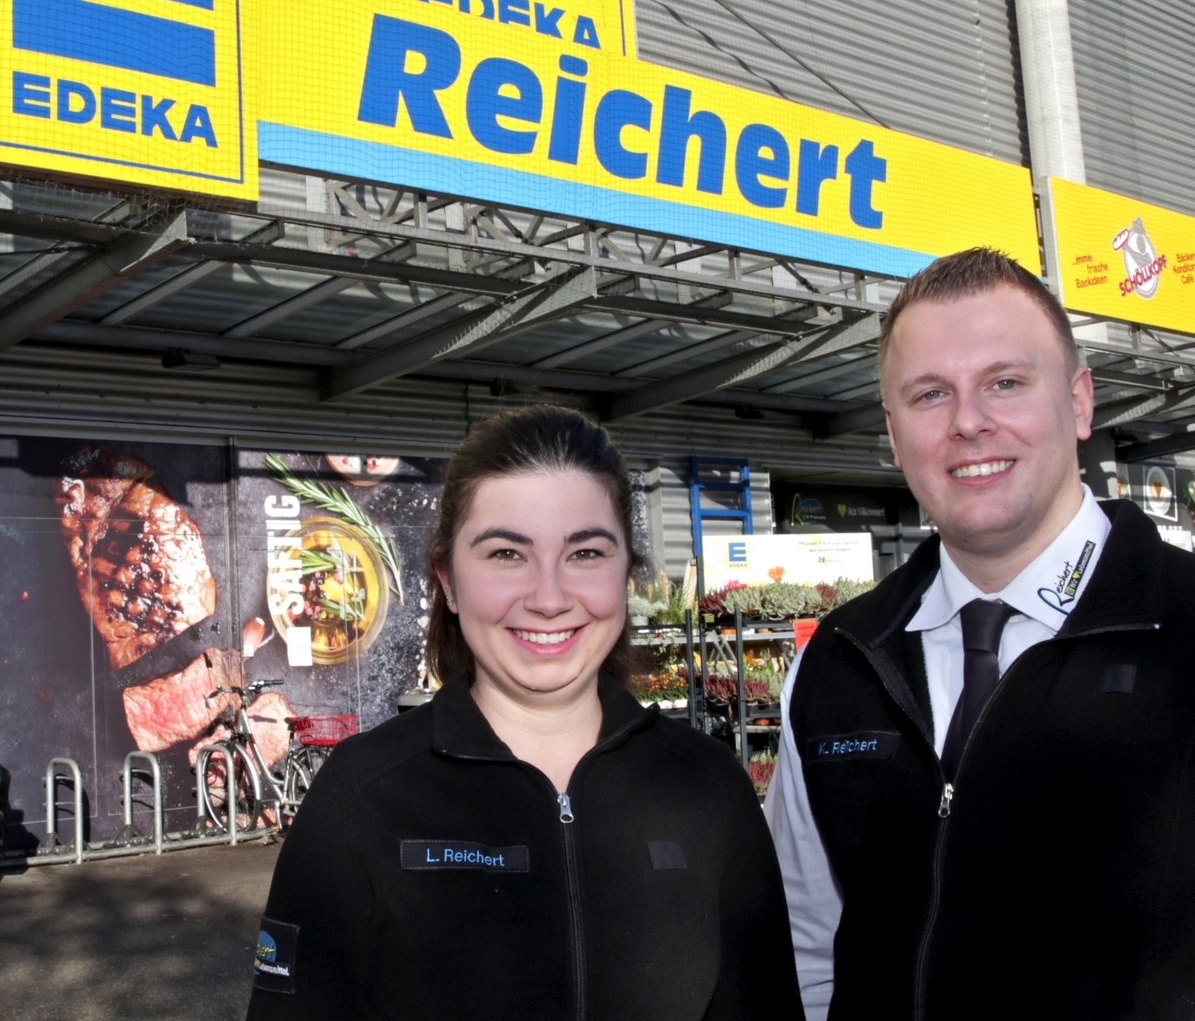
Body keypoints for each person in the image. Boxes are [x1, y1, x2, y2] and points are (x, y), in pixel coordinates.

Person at [766, 248, 1195, 1021]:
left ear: (1081, 402)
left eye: (1005, 382)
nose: (968, 421)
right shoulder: (835, 667)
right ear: (893, 433)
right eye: (930, 393)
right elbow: (809, 957)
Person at [248, 405, 803, 1021]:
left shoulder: (709, 790)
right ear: (448, 581)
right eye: (507, 554)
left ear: (627, 574)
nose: (548, 598)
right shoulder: (360, 796)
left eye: (585, 553)